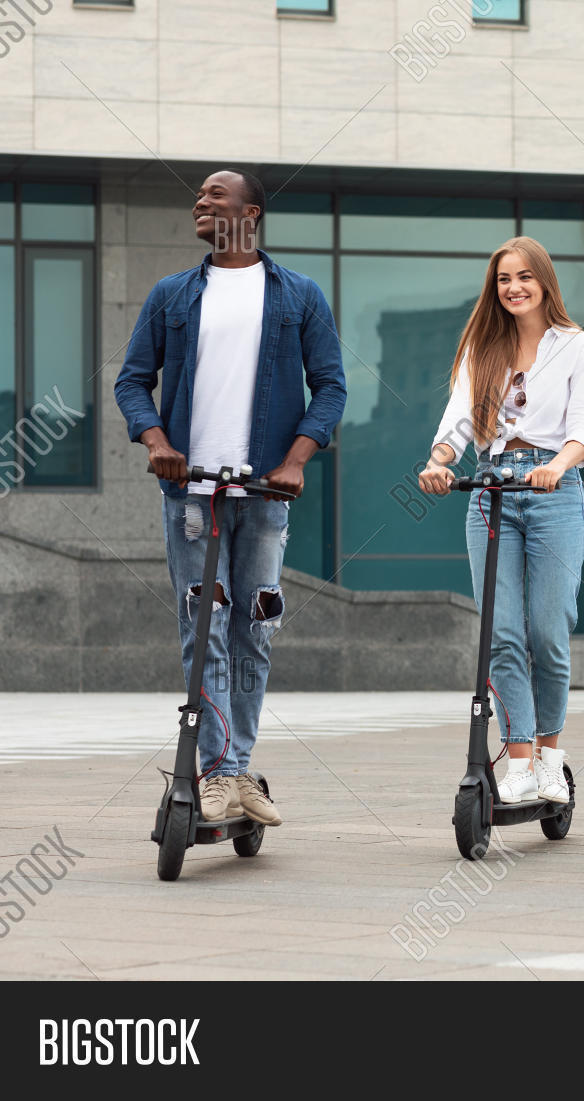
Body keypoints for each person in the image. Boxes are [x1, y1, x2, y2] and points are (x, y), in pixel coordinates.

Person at [115, 168, 347, 825]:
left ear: (250, 213)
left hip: (265, 493)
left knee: (256, 628)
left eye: (215, 195)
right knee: (205, 628)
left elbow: (330, 385)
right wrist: (157, 441)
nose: (201, 201)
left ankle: (237, 768)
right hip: (192, 494)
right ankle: (218, 772)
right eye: (199, 195)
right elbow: (133, 380)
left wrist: (296, 460)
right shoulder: (173, 294)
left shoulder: (298, 294)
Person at [419, 237, 584, 806]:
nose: (514, 287)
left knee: (547, 630)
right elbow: (457, 422)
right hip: (491, 489)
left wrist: (556, 466)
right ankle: (518, 759)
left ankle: (550, 757)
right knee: (500, 633)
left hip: (554, 492)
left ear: (544, 282)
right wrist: (439, 462)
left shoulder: (576, 346)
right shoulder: (483, 348)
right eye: (504, 279)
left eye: (525, 277)